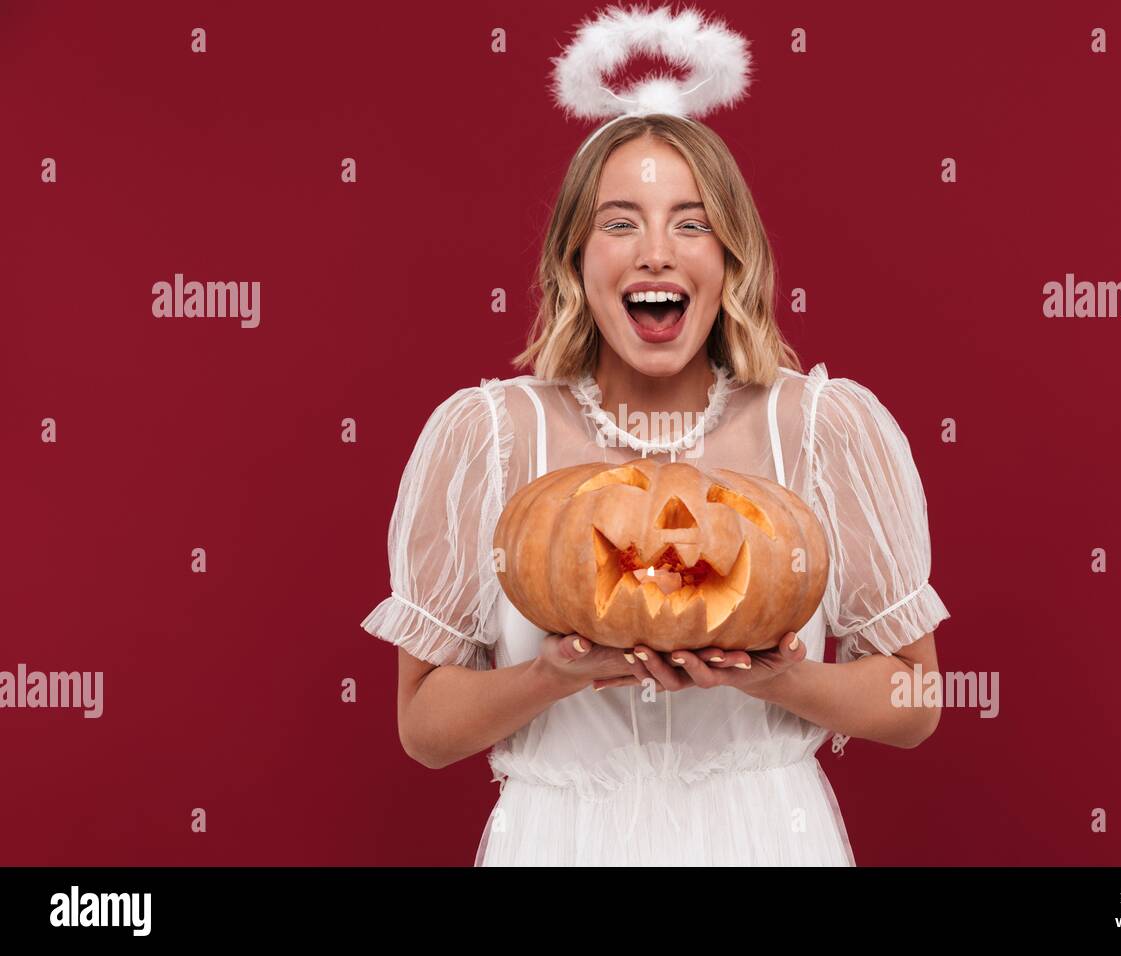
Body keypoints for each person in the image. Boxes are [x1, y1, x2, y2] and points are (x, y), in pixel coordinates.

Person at [360, 114, 952, 865]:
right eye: (620, 223)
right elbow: (423, 727)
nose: (656, 254)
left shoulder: (822, 427)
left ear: (731, 256)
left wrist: (783, 679)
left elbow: (917, 700)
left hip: (766, 841)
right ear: (574, 257)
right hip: (560, 844)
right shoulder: (487, 437)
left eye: (691, 224)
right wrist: (552, 675)